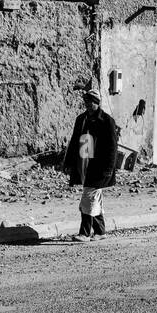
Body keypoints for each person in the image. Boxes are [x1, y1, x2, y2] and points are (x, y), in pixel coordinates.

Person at [62, 87, 118, 241]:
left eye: (90, 102)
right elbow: (74, 142)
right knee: (95, 198)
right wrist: (68, 162)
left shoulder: (107, 121)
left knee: (87, 197)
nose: (87, 105)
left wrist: (109, 169)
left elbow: (112, 147)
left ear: (97, 103)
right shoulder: (82, 119)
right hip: (83, 164)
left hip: (99, 167)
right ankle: (100, 232)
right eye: (86, 102)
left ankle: (85, 233)